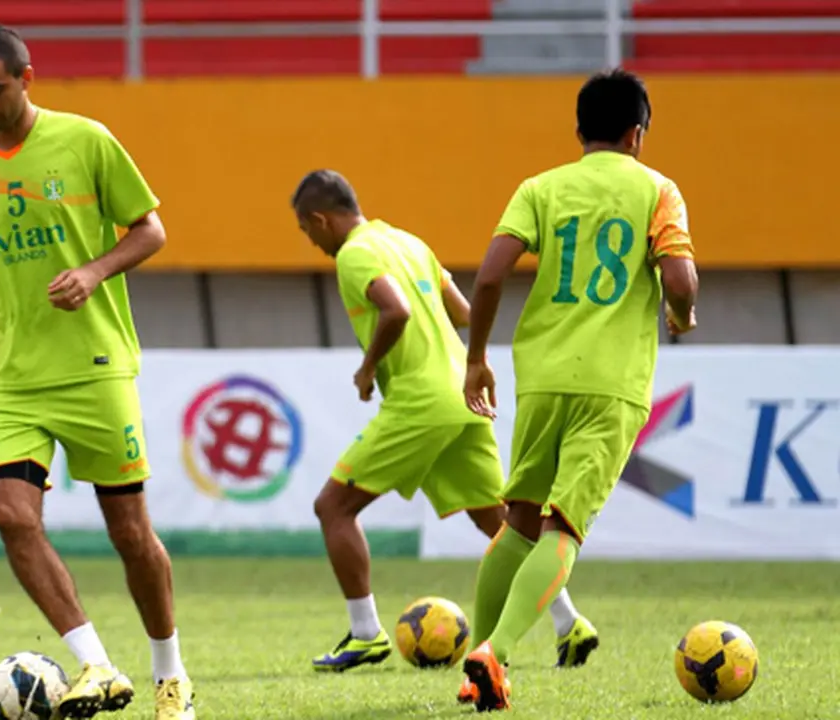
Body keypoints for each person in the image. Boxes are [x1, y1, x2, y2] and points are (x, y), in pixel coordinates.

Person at [0, 21, 194, 720]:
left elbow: (150, 229)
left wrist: (93, 270)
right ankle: (97, 665)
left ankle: (171, 675)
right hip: (14, 377)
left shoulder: (87, 140)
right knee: (11, 515)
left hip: (95, 366)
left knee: (131, 535)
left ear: (27, 76)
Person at [289, 170, 597, 681]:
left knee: (333, 506)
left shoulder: (355, 253)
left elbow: (396, 311)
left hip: (421, 400)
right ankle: (569, 623)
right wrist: (473, 361)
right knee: (498, 521)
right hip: (463, 394)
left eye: (307, 230)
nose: (311, 241)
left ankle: (365, 634)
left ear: (321, 219)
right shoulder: (409, 242)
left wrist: (368, 368)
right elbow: (463, 310)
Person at [457, 69, 699, 712]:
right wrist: (681, 316)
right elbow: (679, 279)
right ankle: (495, 651)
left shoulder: (540, 188)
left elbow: (487, 280)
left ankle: (473, 662)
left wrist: (476, 359)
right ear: (637, 134)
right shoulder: (658, 190)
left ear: (579, 131)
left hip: (540, 377)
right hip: (611, 385)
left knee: (517, 524)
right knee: (563, 527)